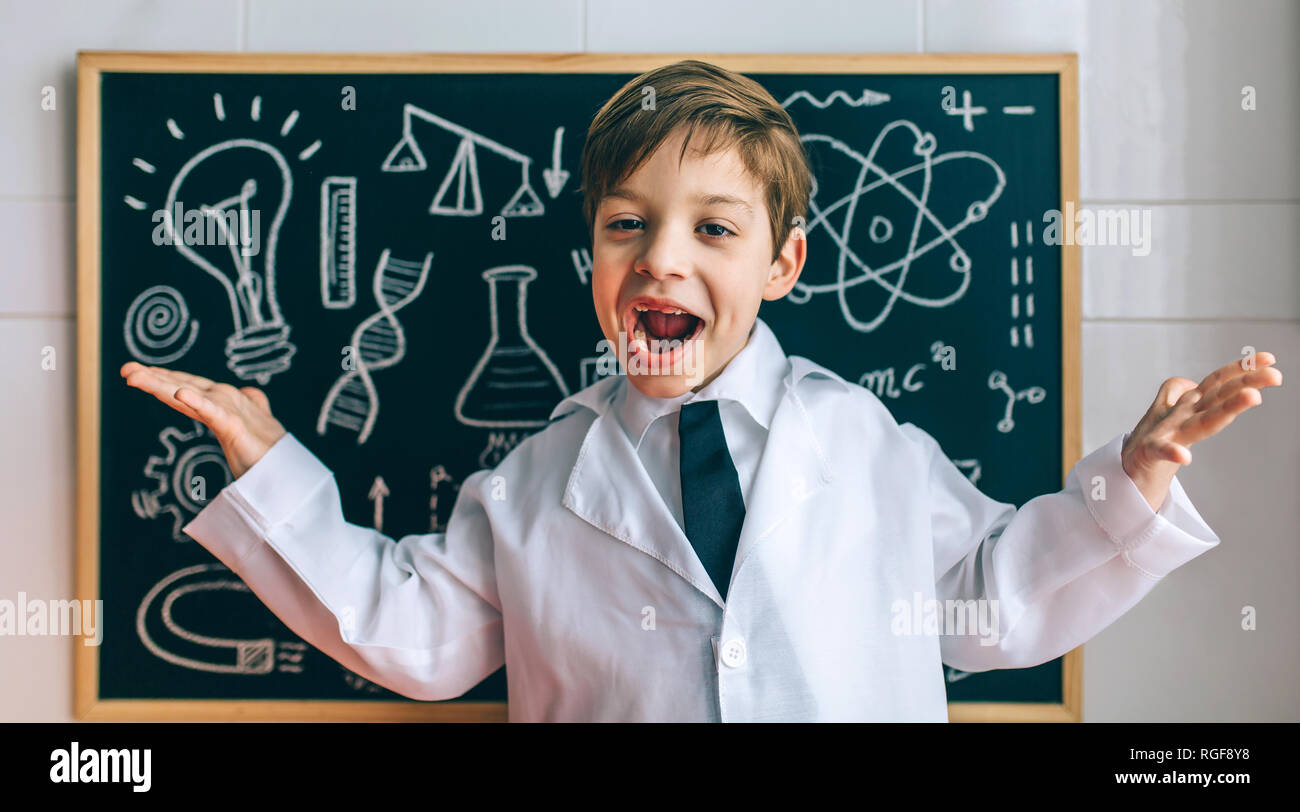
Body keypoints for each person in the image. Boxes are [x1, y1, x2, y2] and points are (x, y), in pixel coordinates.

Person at [120, 59, 1282, 721]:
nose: (661, 257)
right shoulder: (538, 480)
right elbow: (418, 635)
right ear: (591, 256)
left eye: (711, 228)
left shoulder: (863, 441)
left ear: (781, 266)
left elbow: (995, 603)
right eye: (626, 224)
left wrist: (1124, 487)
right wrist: (274, 470)